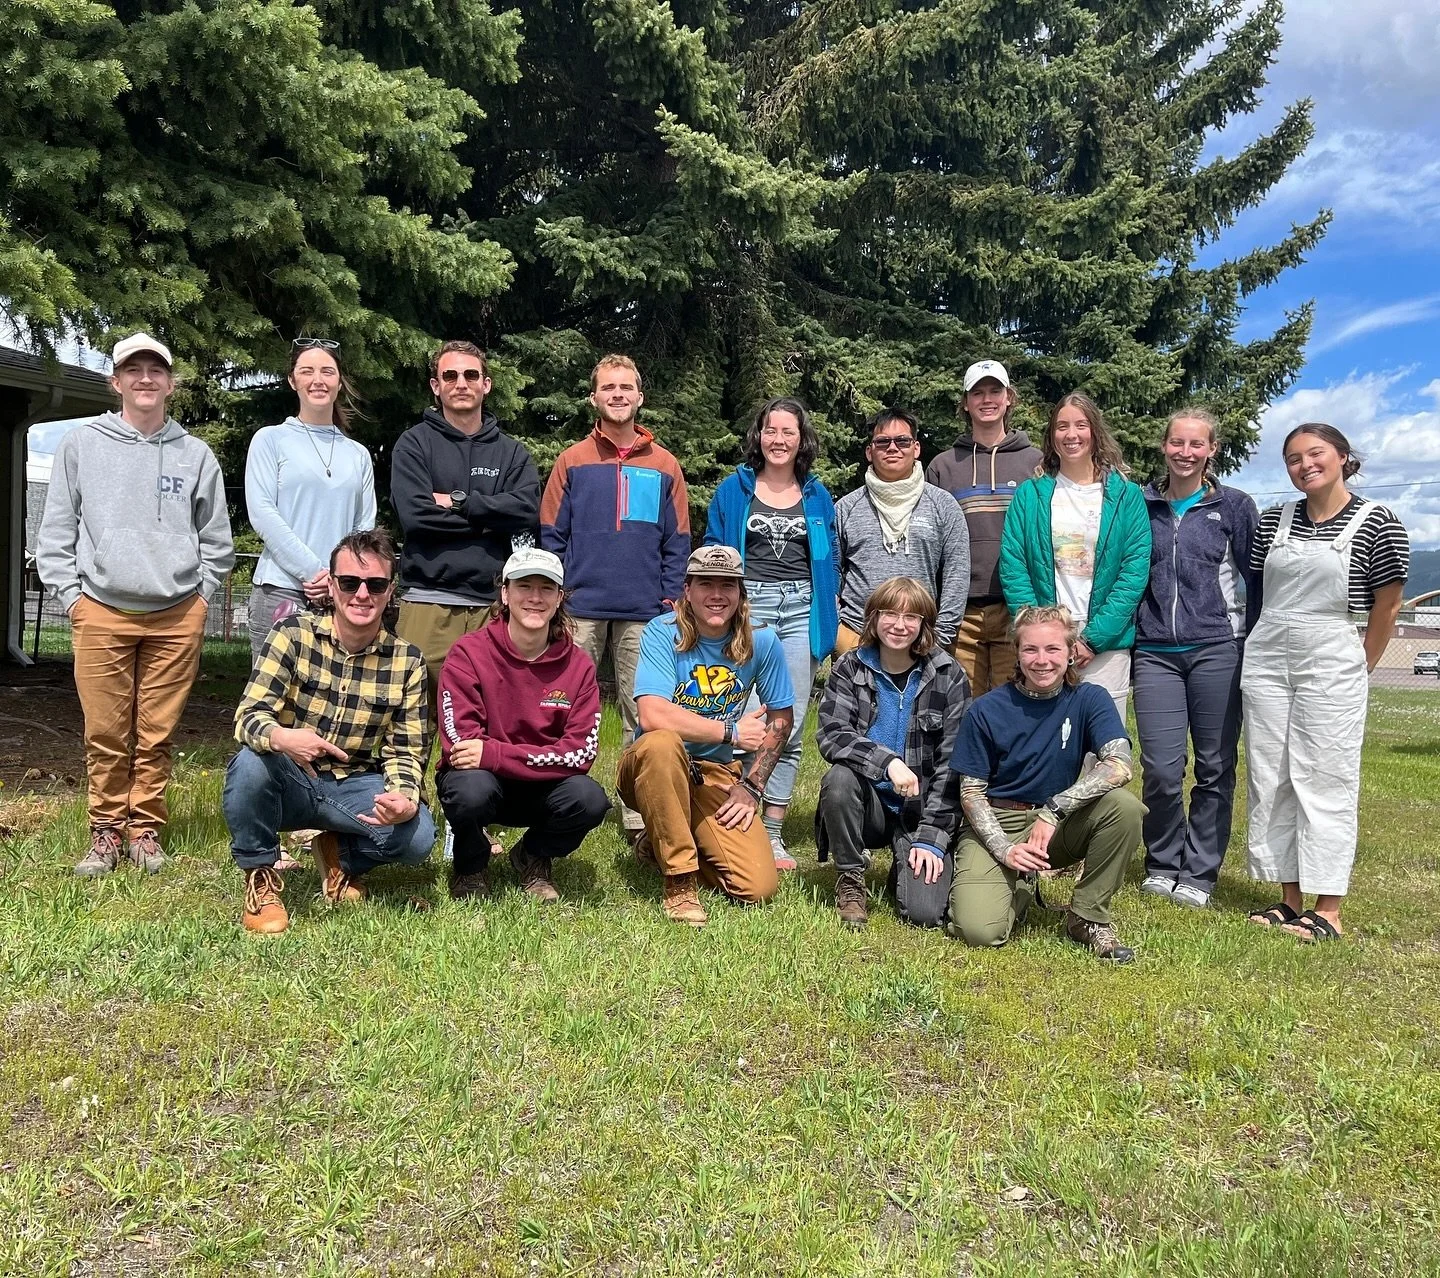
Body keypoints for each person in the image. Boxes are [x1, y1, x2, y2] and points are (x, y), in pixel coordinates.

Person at [37, 332, 235, 877]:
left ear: (171, 383)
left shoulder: (195, 455)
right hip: (100, 608)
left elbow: (217, 541)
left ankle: (144, 829)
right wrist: (72, 598)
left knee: (156, 731)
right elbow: (55, 530)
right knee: (105, 730)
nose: (144, 379)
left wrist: (201, 600)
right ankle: (105, 833)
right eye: (133, 370)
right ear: (116, 380)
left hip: (176, 613)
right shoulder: (83, 444)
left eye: (156, 370)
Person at [1242, 424, 1408, 943]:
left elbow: (1388, 606)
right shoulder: (1274, 521)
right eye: (1293, 459)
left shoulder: (1379, 523)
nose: (1304, 465)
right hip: (1267, 653)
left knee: (1325, 776)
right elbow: (1256, 590)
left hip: (1332, 655)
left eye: (1316, 454)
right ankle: (1289, 898)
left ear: (1341, 457)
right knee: (1271, 774)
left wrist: (1363, 665)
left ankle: (1329, 907)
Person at [226, 529, 435, 935]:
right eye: (349, 582)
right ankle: (260, 877)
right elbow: (249, 716)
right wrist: (284, 739)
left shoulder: (408, 661)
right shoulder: (292, 634)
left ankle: (340, 854)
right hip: (290, 779)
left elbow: (407, 752)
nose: (362, 594)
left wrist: (406, 799)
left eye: (375, 584)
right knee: (249, 764)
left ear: (390, 590)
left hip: (356, 785)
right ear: (332, 585)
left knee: (419, 837)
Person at [541, 354, 691, 844]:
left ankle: (637, 816)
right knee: (562, 708)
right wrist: (559, 596)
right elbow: (551, 535)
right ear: (595, 397)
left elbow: (677, 540)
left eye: (627, 386)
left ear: (640, 397)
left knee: (642, 715)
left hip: (644, 613)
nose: (618, 394)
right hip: (580, 609)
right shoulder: (572, 461)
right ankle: (558, 802)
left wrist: (670, 597)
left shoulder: (665, 464)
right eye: (609, 387)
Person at [947, 605, 1144, 962]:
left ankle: (1087, 916)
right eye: (1030, 649)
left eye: (1053, 649)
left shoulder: (1090, 699)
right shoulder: (985, 710)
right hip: (998, 820)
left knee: (1124, 808)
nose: (1042, 660)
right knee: (978, 932)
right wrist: (1004, 849)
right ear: (1017, 654)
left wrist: (1055, 810)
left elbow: (1120, 766)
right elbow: (971, 792)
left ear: (1071, 653)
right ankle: (1020, 883)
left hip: (1056, 825)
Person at [616, 545, 794, 927]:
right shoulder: (662, 632)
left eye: (727, 584)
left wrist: (751, 787)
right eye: (706, 584)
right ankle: (679, 880)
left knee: (756, 887)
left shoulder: (762, 640)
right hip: (653, 765)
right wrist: (730, 731)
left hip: (715, 771)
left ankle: (662, 838)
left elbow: (781, 720)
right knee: (662, 742)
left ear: (741, 592)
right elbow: (652, 714)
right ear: (688, 590)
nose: (717, 594)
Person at [1133, 408, 1260, 910]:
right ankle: (1163, 860)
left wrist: (1250, 643)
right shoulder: (1141, 504)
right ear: (1164, 446)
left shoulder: (1233, 506)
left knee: (1214, 766)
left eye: (1196, 444)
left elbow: (1257, 582)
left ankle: (1200, 869)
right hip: (1156, 653)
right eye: (1177, 443)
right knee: (1161, 768)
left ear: (1211, 451)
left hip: (1217, 649)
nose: (1185, 452)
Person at [704, 396, 838, 870]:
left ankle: (773, 831)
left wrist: (830, 616)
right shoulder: (733, 490)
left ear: (802, 440)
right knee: (740, 718)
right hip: (749, 605)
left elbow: (829, 560)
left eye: (789, 432)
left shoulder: (819, 495)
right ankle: (730, 814)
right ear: (757, 436)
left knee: (791, 720)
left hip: (802, 608)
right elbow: (712, 549)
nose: (779, 440)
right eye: (771, 431)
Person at [435, 548, 610, 903]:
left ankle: (532, 855)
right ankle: (470, 866)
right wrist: (494, 759)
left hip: (541, 787)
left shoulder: (578, 666)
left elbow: (580, 753)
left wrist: (496, 754)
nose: (534, 597)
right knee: (469, 791)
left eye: (546, 589)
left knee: (589, 799)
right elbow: (461, 747)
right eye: (524, 586)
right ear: (505, 593)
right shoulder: (468, 653)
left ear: (560, 598)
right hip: (483, 782)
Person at [390, 340, 540, 711]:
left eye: (471, 375)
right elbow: (416, 518)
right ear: (435, 385)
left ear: (485, 385)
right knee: (413, 721)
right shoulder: (413, 444)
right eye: (450, 375)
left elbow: (526, 511)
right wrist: (491, 520)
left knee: (493, 719)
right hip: (427, 602)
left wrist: (459, 503)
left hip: (493, 607)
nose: (461, 383)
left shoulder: (512, 453)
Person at [815, 579, 970, 930]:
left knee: (925, 915)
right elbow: (831, 733)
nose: (900, 625)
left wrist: (933, 836)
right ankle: (851, 879)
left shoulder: (948, 674)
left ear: (924, 625)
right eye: (890, 613)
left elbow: (953, 764)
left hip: (921, 811)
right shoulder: (850, 667)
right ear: (873, 617)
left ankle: (907, 864)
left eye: (911, 616)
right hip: (868, 804)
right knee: (838, 779)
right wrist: (888, 763)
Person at [998, 393, 1149, 718]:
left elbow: (1133, 572)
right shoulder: (1029, 495)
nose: (1071, 434)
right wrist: (1043, 633)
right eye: (1062, 426)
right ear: (1052, 436)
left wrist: (1093, 640)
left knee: (1103, 754)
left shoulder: (1127, 496)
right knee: (1045, 749)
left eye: (1080, 425)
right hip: (1045, 643)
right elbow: (1014, 566)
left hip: (1105, 645)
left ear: (1094, 431)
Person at [244, 338, 375, 661]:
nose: (318, 380)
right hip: (280, 590)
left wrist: (337, 579)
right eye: (307, 371)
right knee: (271, 700)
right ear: (293, 380)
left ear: (339, 380)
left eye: (327, 371)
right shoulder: (270, 440)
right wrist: (313, 571)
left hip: (339, 596)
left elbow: (364, 526)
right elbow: (262, 513)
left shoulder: (357, 455)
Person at [926, 359, 1042, 692]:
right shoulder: (944, 465)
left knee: (1017, 702)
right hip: (961, 611)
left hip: (1017, 606)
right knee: (962, 707)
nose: (986, 399)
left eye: (995, 391)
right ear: (965, 402)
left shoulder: (1035, 461)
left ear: (1009, 398)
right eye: (977, 393)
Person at [835, 408, 970, 654]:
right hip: (856, 638)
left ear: (916, 448)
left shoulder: (942, 505)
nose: (892, 448)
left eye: (902, 441)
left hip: (921, 641)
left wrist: (938, 639)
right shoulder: (846, 508)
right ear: (869, 451)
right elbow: (832, 572)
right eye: (883, 441)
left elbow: (956, 575)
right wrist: (839, 633)